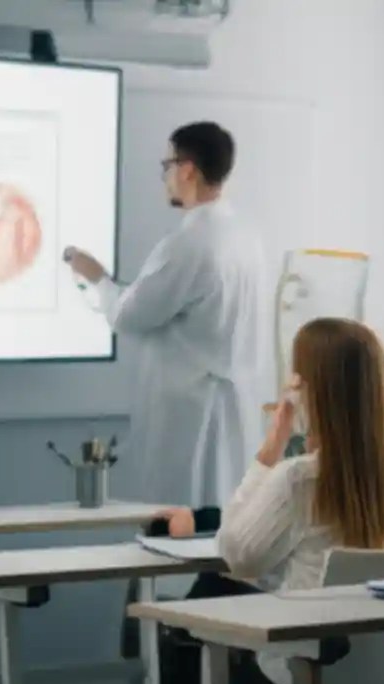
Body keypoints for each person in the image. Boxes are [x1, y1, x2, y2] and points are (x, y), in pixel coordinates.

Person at [145, 318, 384, 684]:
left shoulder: (300, 477)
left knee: (201, 602)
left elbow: (237, 555)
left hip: (307, 677)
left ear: (312, 392)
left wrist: (274, 442)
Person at [65, 121, 264, 509]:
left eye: (167, 165)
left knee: (179, 534)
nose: (166, 177)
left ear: (187, 168)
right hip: (232, 415)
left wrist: (96, 276)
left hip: (192, 421)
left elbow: (128, 315)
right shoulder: (244, 237)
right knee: (226, 533)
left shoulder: (189, 244)